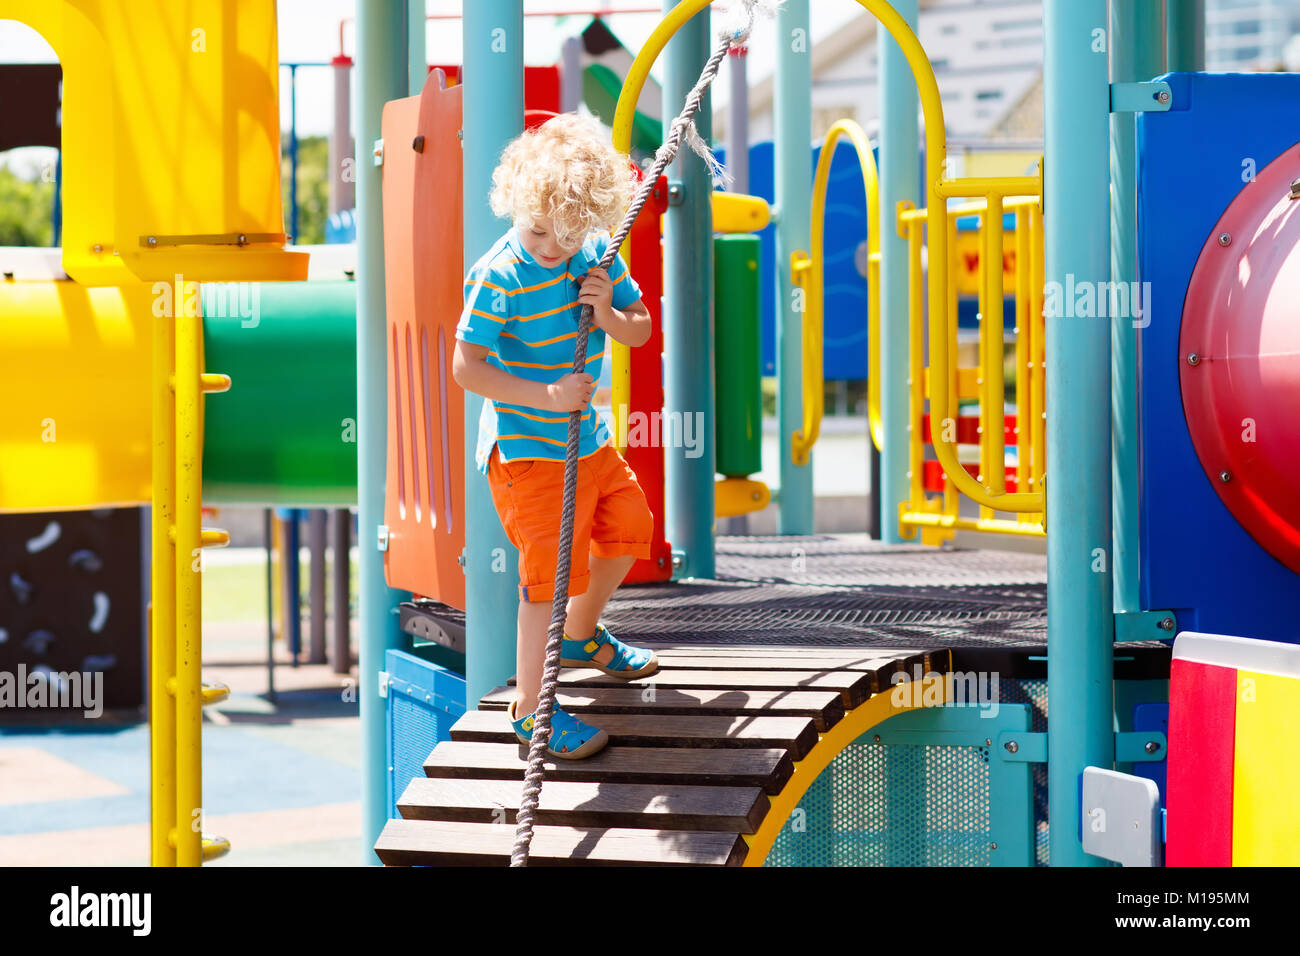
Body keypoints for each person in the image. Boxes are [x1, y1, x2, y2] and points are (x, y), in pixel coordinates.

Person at [451, 112, 660, 760]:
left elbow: (641, 326)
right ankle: (528, 710)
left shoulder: (593, 252)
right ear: (518, 204)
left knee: (632, 526)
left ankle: (583, 631)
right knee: (547, 577)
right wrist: (543, 394)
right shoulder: (501, 274)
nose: (550, 247)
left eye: (566, 236)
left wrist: (605, 311)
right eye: (539, 229)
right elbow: (466, 367)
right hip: (526, 454)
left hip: (585, 440)